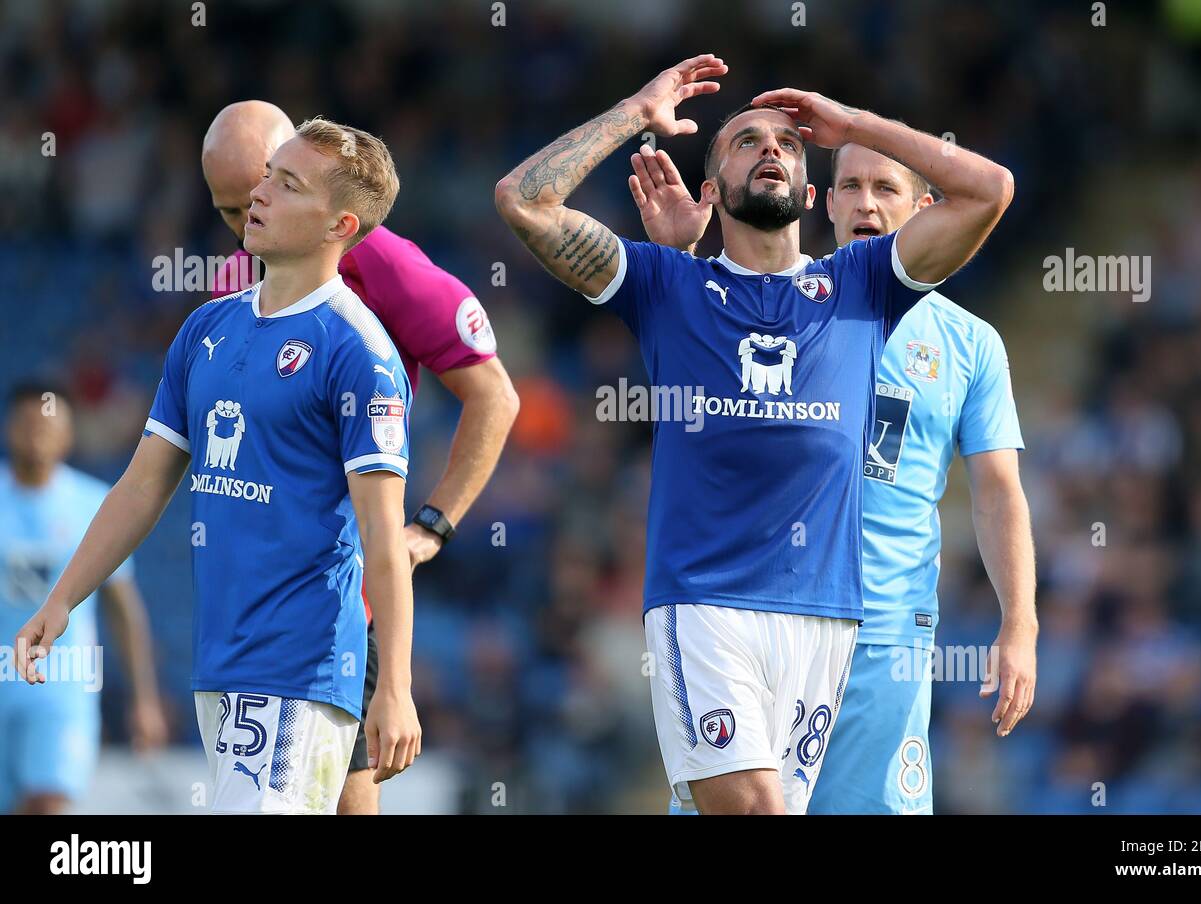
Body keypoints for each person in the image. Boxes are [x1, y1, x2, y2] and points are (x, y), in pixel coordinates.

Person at [495, 54, 1014, 814]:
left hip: (826, 617)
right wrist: (637, 113)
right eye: (745, 141)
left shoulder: (864, 287)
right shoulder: (668, 286)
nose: (770, 147)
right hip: (707, 602)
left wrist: (857, 127)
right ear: (710, 192)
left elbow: (990, 190)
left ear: (810, 193)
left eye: (787, 143)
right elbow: (525, 200)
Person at [16, 118, 421, 815]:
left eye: (287, 184)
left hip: (301, 664)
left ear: (339, 224)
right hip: (222, 664)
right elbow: (143, 484)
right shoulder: (207, 329)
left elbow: (384, 538)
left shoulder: (360, 352)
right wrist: (63, 597)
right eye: (269, 173)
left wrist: (396, 687)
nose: (259, 193)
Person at [628, 140, 1038, 815]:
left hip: (885, 636)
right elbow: (691, 330)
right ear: (823, 198)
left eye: (885, 187)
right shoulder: (790, 304)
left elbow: (997, 492)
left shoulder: (969, 345)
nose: (865, 203)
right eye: (849, 185)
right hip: (759, 614)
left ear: (927, 210)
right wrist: (682, 256)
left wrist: (1019, 623)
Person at [202, 100, 518, 813]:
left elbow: (495, 397)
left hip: (337, 596)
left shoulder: (387, 268)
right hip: (253, 605)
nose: (243, 219)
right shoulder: (232, 284)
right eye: (224, 210)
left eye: (264, 186)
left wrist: (432, 525)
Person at [0, 383, 167, 814]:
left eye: (48, 424)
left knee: (47, 804)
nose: (37, 434)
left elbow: (123, 608)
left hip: (63, 691)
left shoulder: (96, 504)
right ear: (8, 429)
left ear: (69, 434)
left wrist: (144, 699)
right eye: (26, 424)